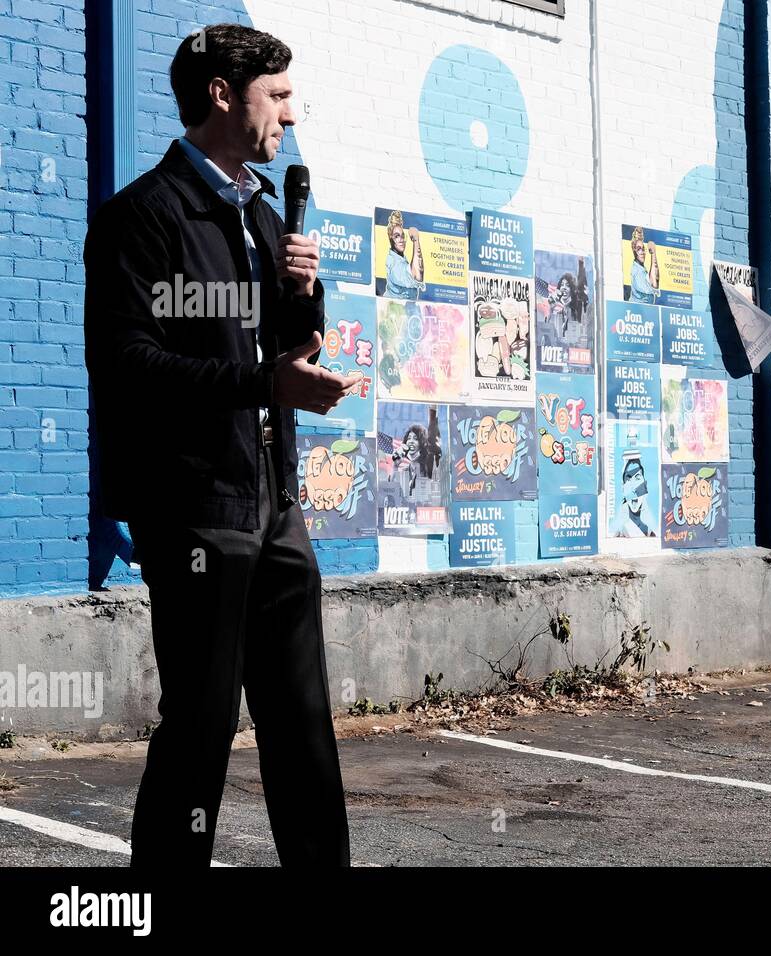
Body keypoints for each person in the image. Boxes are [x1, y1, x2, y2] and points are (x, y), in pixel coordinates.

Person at [82, 23, 354, 866]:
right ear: (221, 95)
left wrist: (303, 298)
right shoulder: (145, 217)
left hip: (274, 502)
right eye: (277, 96)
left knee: (304, 721)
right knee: (200, 726)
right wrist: (261, 385)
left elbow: (280, 352)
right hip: (194, 508)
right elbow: (131, 365)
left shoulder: (263, 216)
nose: (290, 114)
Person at [382, 209, 424, 300]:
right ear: (391, 238)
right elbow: (417, 275)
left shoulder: (401, 260)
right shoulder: (393, 263)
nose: (401, 240)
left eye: (402, 236)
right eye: (397, 236)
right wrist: (416, 241)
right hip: (393, 311)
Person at [628, 226, 659, 304]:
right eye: (638, 249)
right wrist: (653, 254)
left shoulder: (641, 268)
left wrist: (653, 254)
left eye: (643, 249)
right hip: (635, 313)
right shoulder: (637, 271)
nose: (642, 252)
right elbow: (654, 285)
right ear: (634, 251)